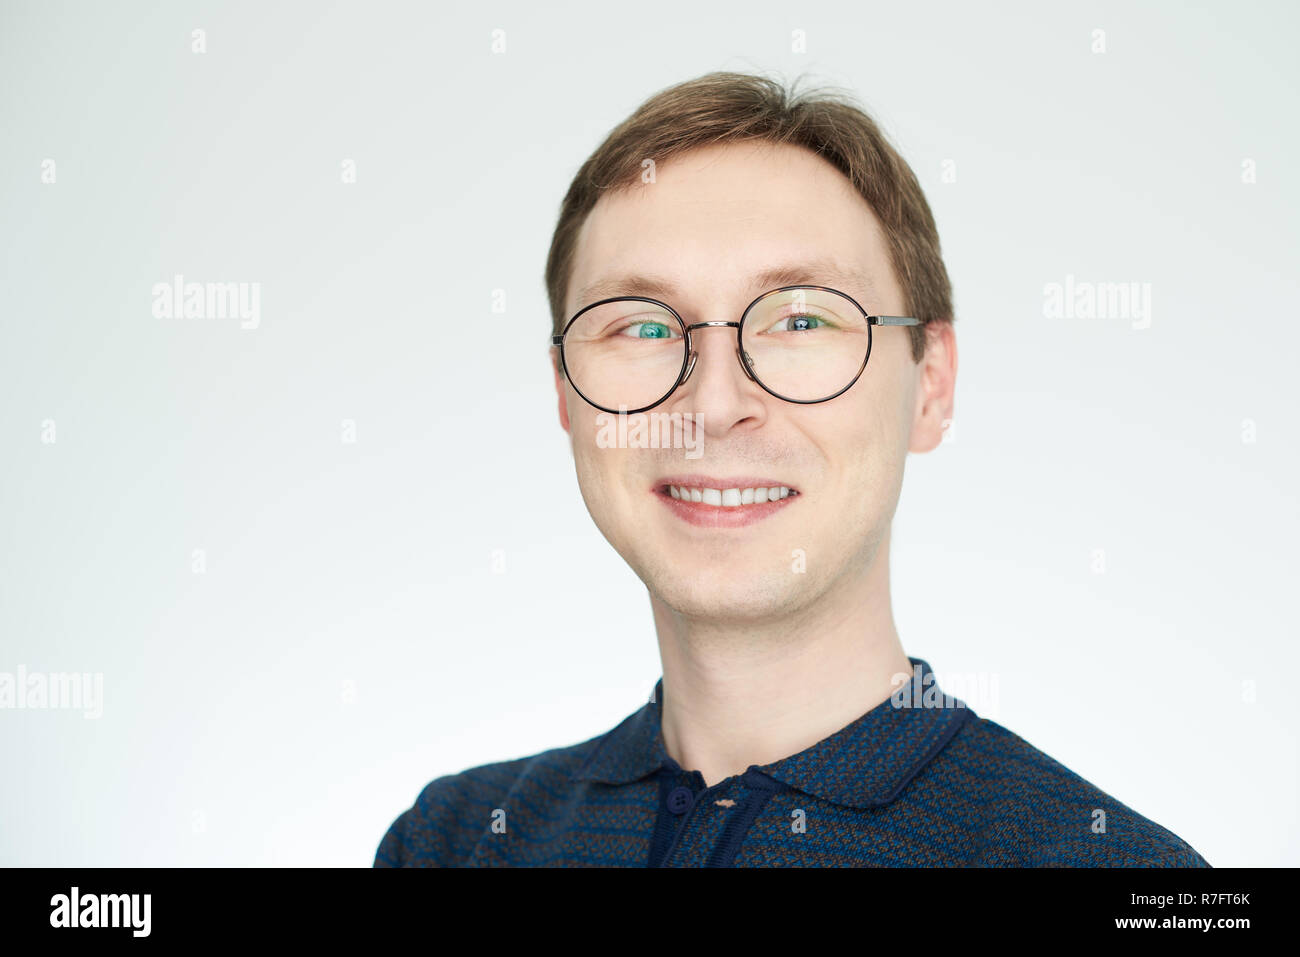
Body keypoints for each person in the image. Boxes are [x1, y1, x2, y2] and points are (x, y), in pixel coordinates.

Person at [374, 71, 1209, 867]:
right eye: (645, 328)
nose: (712, 404)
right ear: (566, 394)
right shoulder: (453, 842)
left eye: (801, 320)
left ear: (932, 383)